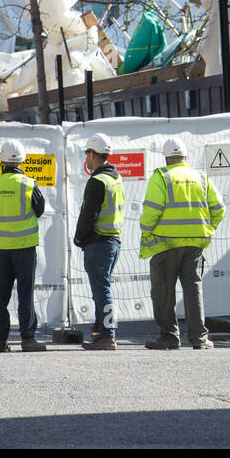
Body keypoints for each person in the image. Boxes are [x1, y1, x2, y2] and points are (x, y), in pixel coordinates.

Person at [139, 135, 225, 350]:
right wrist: (208, 229)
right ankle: (199, 338)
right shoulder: (200, 177)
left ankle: (169, 336)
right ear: (185, 157)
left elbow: (152, 211)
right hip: (195, 244)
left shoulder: (162, 177)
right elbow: (219, 209)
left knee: (164, 292)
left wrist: (147, 232)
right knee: (193, 289)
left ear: (167, 159)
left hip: (166, 244)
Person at [0, 139, 47, 353]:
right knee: (25, 293)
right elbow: (39, 210)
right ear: (22, 160)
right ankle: (28, 339)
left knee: (0, 294)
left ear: (2, 159)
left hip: (1, 247)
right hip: (25, 247)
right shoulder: (29, 183)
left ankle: (0, 341)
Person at [73, 131, 125, 351]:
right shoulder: (116, 178)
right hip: (112, 241)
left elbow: (88, 215)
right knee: (101, 289)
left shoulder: (97, 181)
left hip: (98, 244)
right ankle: (100, 332)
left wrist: (78, 237)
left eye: (87, 154)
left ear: (93, 154)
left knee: (101, 291)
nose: (86, 158)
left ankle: (107, 335)